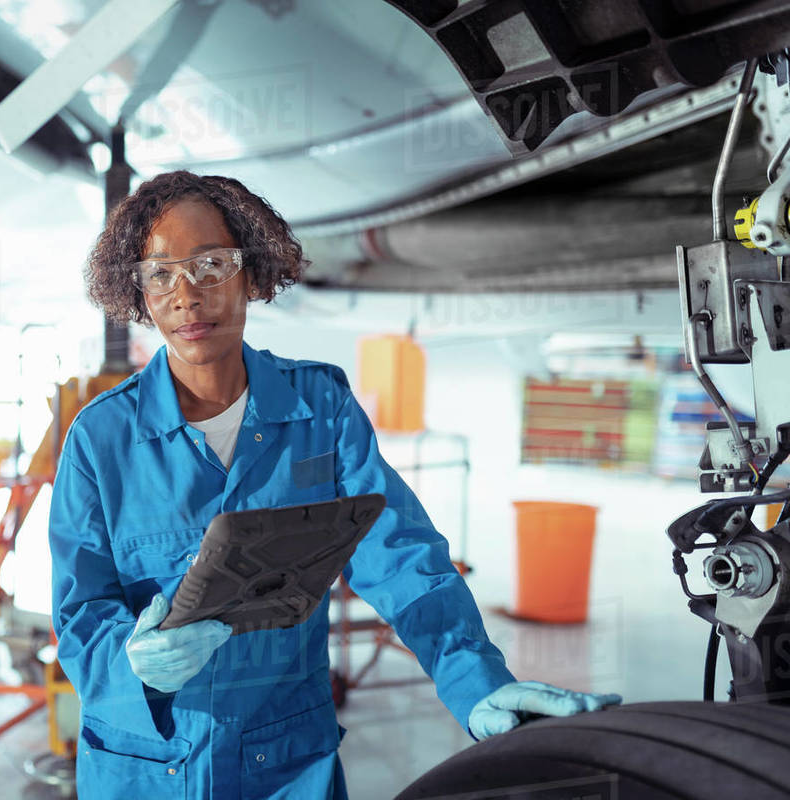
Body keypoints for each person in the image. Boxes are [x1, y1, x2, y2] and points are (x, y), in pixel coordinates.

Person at [48, 171, 621, 799]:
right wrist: (133, 666)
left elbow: (400, 557)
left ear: (250, 271)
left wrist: (476, 682)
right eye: (160, 274)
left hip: (285, 768)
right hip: (147, 770)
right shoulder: (99, 439)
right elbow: (80, 613)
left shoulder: (321, 408)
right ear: (138, 290)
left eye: (211, 265)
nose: (186, 295)